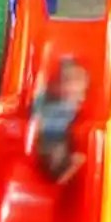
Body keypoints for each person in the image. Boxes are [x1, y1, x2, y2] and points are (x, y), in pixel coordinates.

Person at [31, 55, 89, 185]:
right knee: (58, 154)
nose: (81, 97)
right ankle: (60, 175)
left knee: (62, 150)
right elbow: (40, 115)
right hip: (50, 144)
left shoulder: (59, 103)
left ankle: (61, 171)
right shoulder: (59, 105)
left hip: (54, 140)